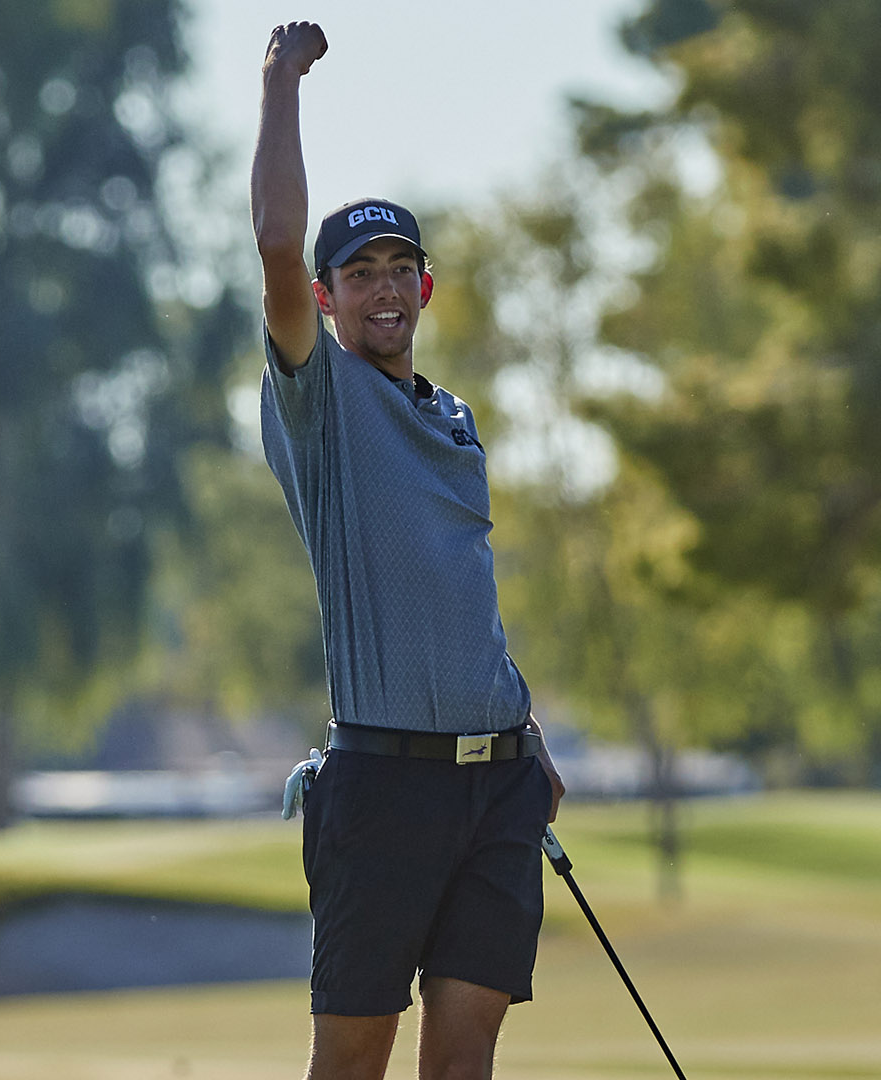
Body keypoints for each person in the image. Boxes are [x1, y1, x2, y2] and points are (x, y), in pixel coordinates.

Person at [252, 19, 568, 1080]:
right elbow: (274, 246)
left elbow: (458, 590)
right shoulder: (320, 403)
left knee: (468, 1045)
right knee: (352, 1058)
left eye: (401, 269)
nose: (384, 288)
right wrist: (279, 82)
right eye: (360, 274)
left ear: (425, 290)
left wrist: (519, 728)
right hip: (383, 785)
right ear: (328, 297)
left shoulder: (455, 418)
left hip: (500, 780)